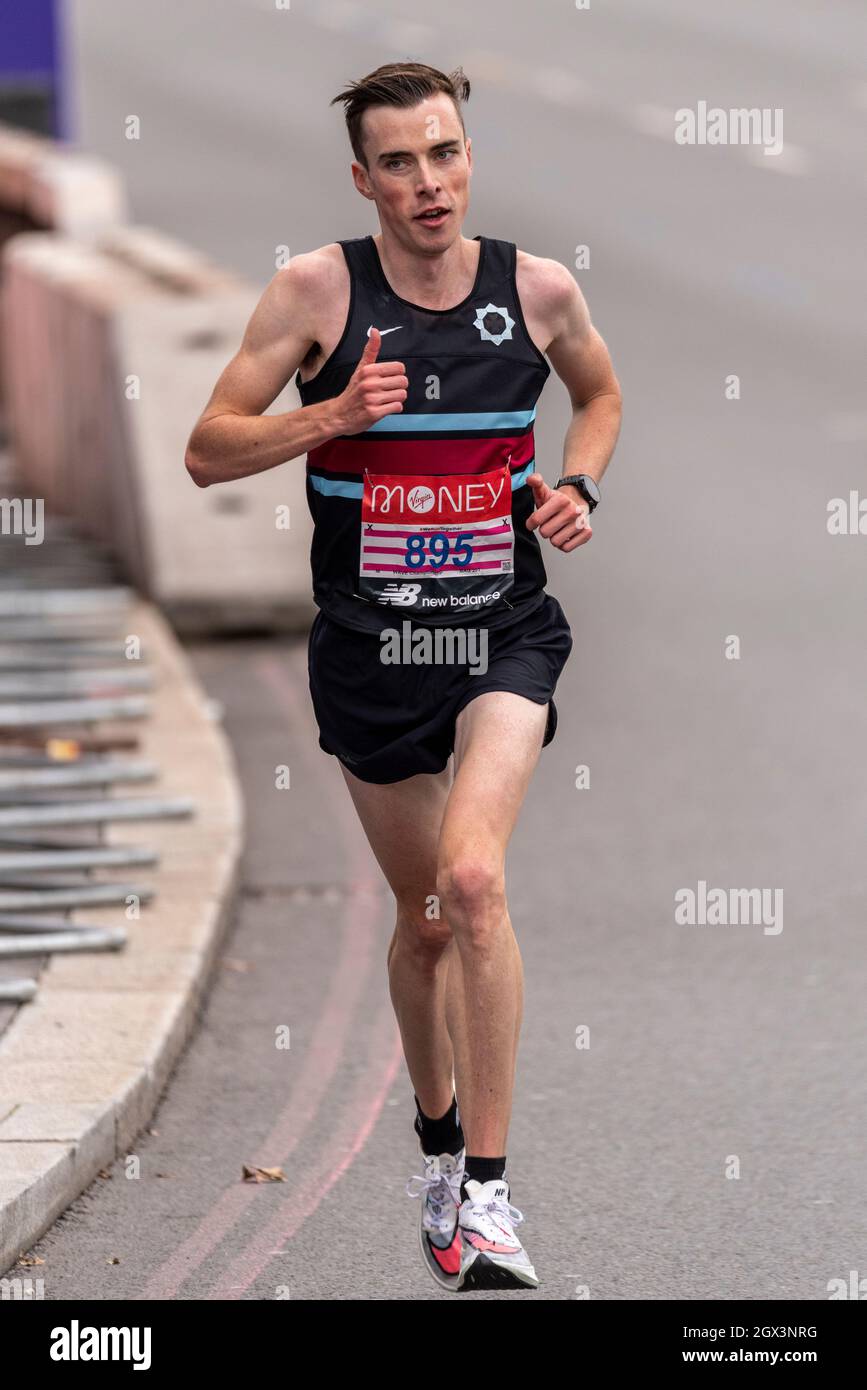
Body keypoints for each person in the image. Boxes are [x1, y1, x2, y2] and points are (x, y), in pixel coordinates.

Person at [185, 60, 621, 1293]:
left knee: (475, 881)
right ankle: (435, 1148)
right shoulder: (318, 291)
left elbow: (598, 392)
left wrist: (577, 483)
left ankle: (486, 1193)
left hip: (500, 637)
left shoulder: (537, 287)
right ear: (362, 177)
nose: (429, 183)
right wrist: (328, 418)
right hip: (373, 654)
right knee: (425, 919)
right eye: (401, 163)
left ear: (469, 155)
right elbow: (209, 449)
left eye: (447, 154)